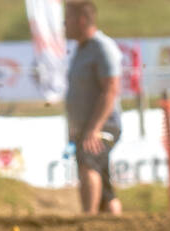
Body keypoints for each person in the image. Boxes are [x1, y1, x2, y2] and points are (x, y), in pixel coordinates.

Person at [64, 1, 123, 215]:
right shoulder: (81, 49)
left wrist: (93, 129)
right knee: (106, 190)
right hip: (87, 129)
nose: (63, 23)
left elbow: (110, 90)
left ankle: (88, 223)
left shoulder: (102, 47)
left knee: (88, 164)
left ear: (81, 20)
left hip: (102, 126)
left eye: (67, 18)